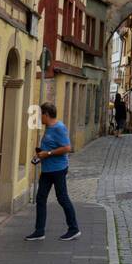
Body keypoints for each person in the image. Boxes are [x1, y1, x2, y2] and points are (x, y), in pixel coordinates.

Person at [25, 102, 80, 242]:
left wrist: (48, 153)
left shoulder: (59, 128)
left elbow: (67, 148)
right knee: (40, 198)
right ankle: (39, 231)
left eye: (40, 115)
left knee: (62, 198)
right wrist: (40, 154)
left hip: (58, 169)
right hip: (48, 169)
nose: (39, 118)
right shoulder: (49, 127)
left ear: (46, 114)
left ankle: (74, 229)